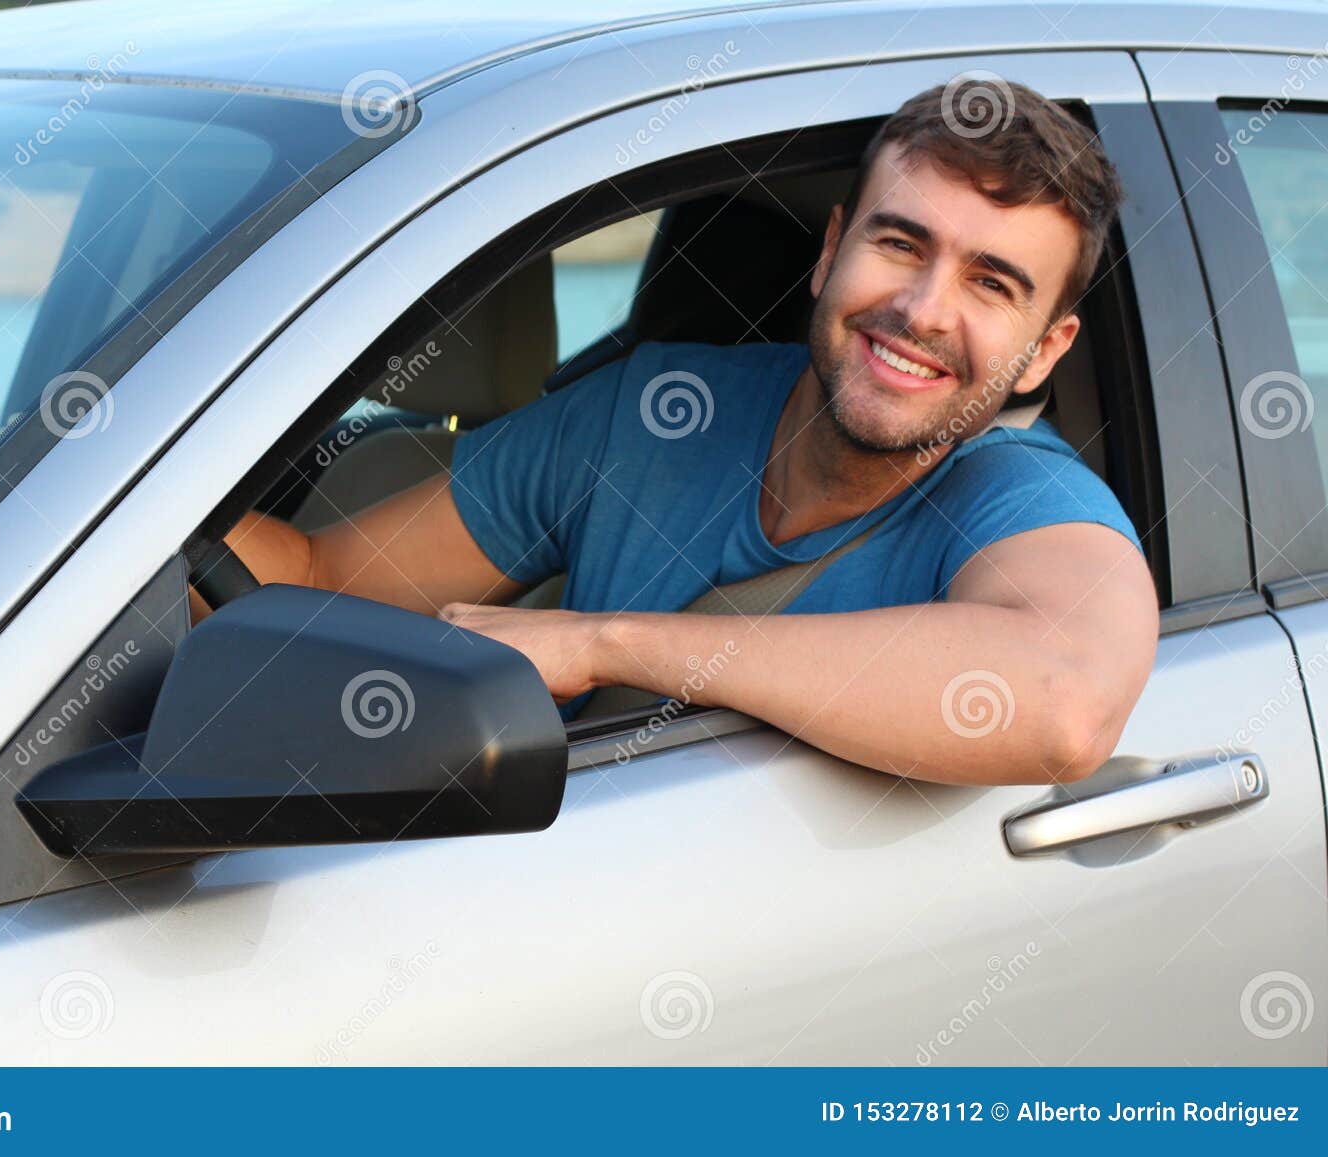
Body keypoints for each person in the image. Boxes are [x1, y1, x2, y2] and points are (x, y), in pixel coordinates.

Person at [211, 80, 1158, 788]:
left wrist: (602, 644)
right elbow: (317, 581)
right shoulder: (653, 409)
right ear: (832, 251)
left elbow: (1064, 703)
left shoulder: (1022, 498)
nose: (919, 310)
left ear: (1045, 351)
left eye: (991, 284)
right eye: (899, 244)